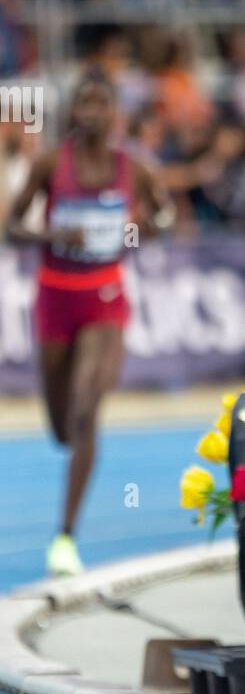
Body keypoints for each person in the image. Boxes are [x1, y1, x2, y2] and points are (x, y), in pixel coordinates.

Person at [5, 67, 172, 575]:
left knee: (84, 410)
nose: (92, 111)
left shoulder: (135, 169)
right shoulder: (51, 165)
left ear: (115, 112)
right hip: (56, 298)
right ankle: (68, 433)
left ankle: (65, 537)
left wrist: (141, 226)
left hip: (105, 297)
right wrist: (53, 235)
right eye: (84, 103)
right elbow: (11, 226)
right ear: (73, 110)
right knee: (60, 426)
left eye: (101, 102)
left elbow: (164, 219)